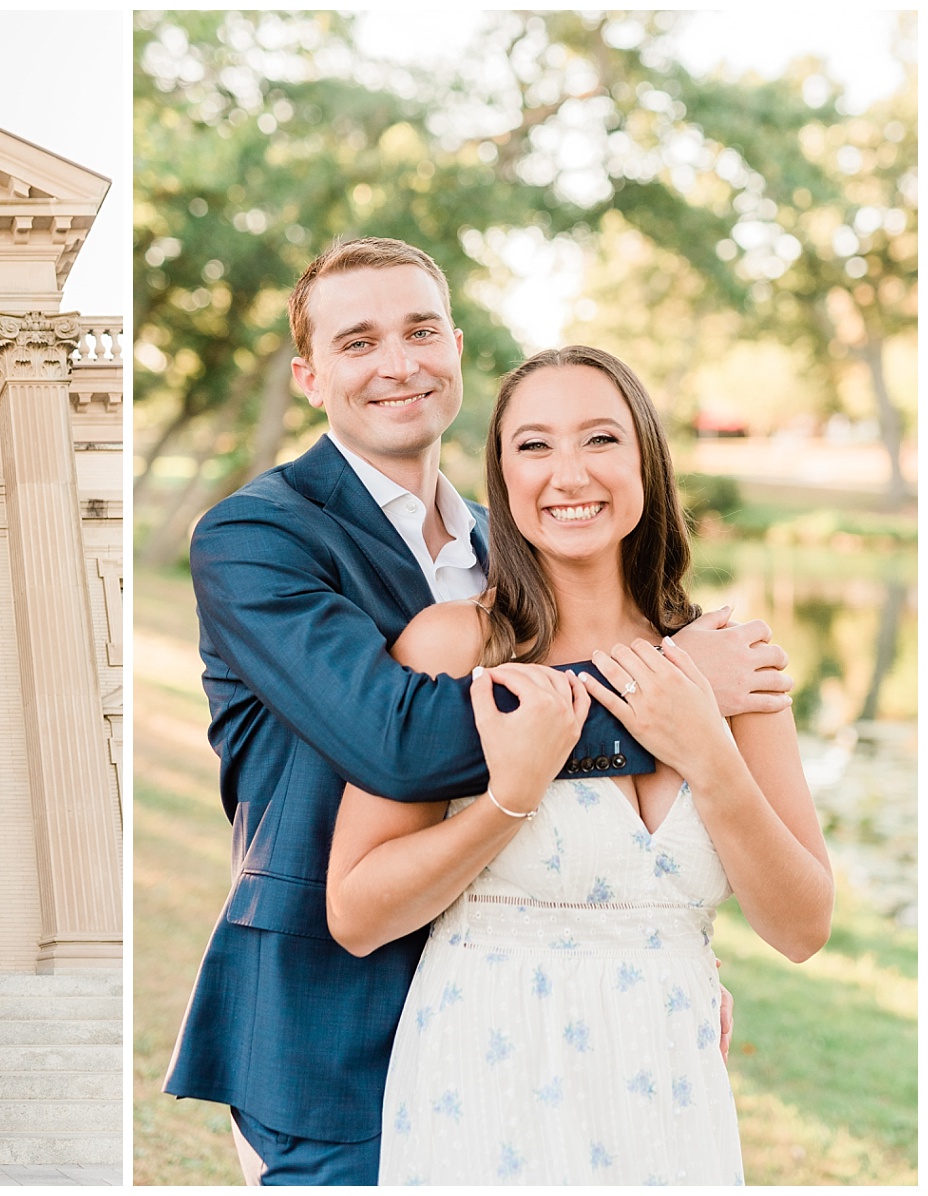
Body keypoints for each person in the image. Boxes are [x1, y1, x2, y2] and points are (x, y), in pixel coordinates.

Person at [161, 238, 795, 1186]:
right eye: (358, 342)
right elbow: (395, 739)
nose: (398, 363)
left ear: (455, 349)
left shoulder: (518, 544)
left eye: (421, 331)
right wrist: (672, 688)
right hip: (327, 1020)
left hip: (524, 1018)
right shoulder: (258, 535)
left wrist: (650, 929)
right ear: (309, 376)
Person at [326, 346, 833, 1183]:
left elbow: (802, 928)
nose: (569, 474)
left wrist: (711, 755)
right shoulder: (456, 649)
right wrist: (509, 800)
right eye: (533, 445)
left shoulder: (729, 663)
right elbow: (356, 912)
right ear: (502, 476)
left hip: (670, 1097)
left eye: (600, 438)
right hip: (485, 1084)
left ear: (646, 462)